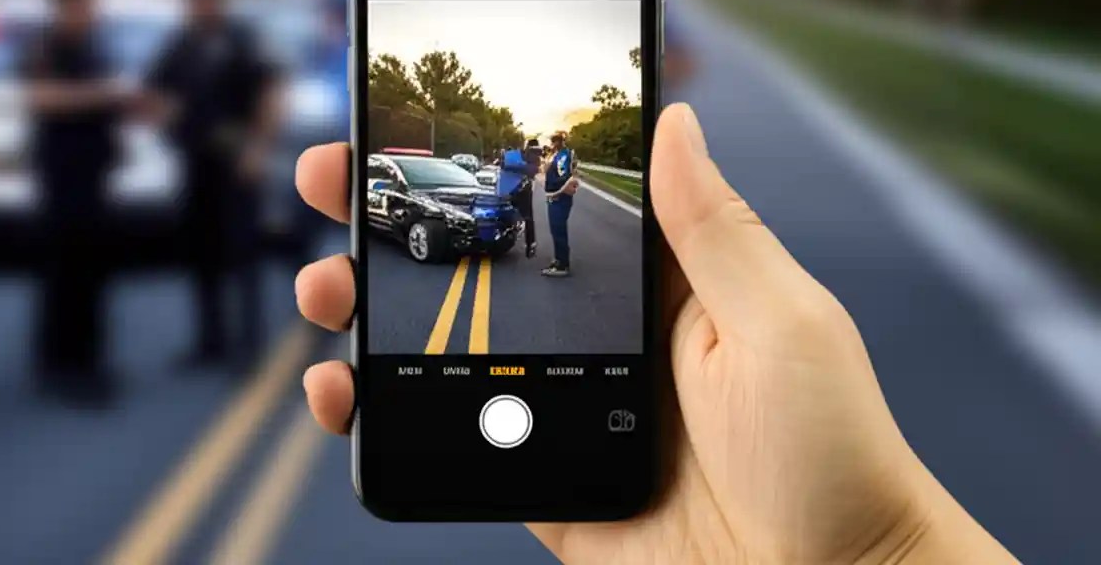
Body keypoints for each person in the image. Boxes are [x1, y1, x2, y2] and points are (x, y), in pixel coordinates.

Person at [290, 104, 1018, 565]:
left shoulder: (529, 169)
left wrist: (876, 549)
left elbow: (545, 185)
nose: (543, 148)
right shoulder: (419, 178)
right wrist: (884, 550)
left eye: (548, 144)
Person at [143, 0, 278, 370]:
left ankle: (249, 346)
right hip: (196, 162)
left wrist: (258, 149)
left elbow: (269, 93)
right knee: (201, 256)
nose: (203, 5)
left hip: (236, 161)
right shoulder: (181, 44)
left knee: (242, 254)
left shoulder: (242, 40)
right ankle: (209, 342)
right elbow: (153, 90)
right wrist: (166, 116)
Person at [22, 0, 128, 405]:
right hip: (64, 178)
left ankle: (89, 361)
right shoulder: (51, 47)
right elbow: (43, 97)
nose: (91, 9)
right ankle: (63, 368)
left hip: (92, 176)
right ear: (66, 4)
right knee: (64, 273)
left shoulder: (91, 46)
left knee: (91, 273)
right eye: (84, 1)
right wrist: (104, 94)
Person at [541, 131, 577, 277]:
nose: (553, 144)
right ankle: (558, 259)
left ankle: (562, 265)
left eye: (554, 141)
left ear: (559, 142)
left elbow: (563, 177)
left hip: (559, 197)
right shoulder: (558, 155)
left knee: (559, 230)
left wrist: (553, 189)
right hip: (555, 196)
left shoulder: (563, 156)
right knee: (555, 230)